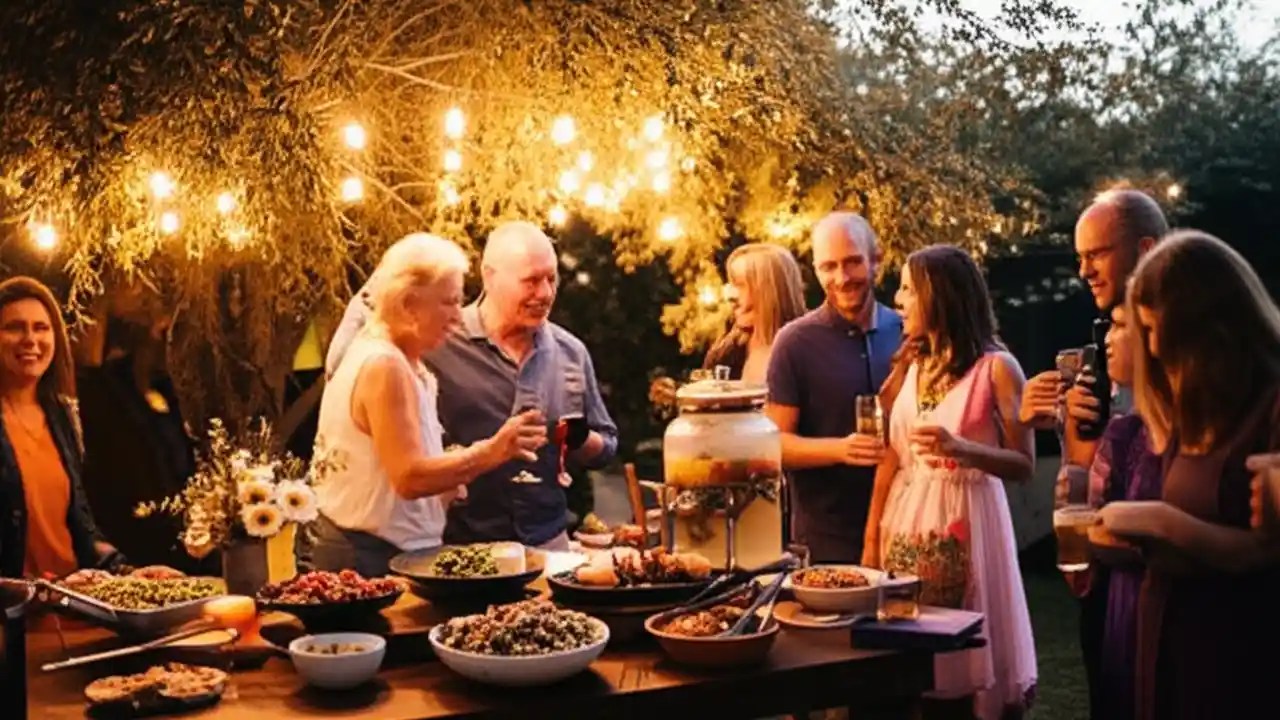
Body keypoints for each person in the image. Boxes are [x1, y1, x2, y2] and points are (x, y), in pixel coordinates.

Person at [1097, 231, 1280, 719]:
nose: (1151, 348)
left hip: (1239, 658)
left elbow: (1260, 555)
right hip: (1171, 644)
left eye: (1156, 330)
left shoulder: (1270, 408)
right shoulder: (1194, 411)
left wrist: (1161, 522)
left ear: (1201, 327)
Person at [863, 245, 1036, 720]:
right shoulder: (910, 365)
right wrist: (871, 535)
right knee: (912, 675)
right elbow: (893, 454)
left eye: (907, 289)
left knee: (962, 672)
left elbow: (1024, 464)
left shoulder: (996, 368)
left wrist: (963, 449)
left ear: (940, 296)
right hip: (905, 526)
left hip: (968, 525)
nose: (897, 300)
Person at [312, 234, 548, 576]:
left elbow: (397, 468)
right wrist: (493, 451)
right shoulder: (384, 366)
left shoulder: (404, 361)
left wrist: (451, 474)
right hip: (367, 557)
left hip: (379, 548)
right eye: (449, 302)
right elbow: (409, 478)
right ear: (409, 304)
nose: (457, 316)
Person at [1018, 188, 1167, 719]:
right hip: (1106, 582)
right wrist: (1059, 419)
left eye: (1095, 254)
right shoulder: (1101, 344)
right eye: (1079, 257)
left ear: (1146, 250)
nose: (1083, 271)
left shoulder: (1184, 351)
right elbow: (1088, 465)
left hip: (1166, 582)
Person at [424, 221, 618, 550]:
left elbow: (607, 447)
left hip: (548, 543)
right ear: (489, 276)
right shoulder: (439, 346)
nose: (544, 293)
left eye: (551, 279)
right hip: (459, 547)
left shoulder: (570, 352)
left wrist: (578, 437)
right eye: (530, 281)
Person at [765, 211, 903, 563]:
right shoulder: (794, 342)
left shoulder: (906, 331)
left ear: (877, 260)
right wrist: (841, 450)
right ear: (815, 269)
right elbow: (773, 447)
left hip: (908, 525)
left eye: (853, 262)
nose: (841, 278)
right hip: (826, 538)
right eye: (829, 266)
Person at [1065, 303, 1161, 720]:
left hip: (1168, 605)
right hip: (1120, 603)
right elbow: (1081, 490)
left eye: (1120, 326)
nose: (1105, 337)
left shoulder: (1178, 430)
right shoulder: (1123, 429)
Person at [74, 276, 208, 574]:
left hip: (184, 539)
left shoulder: (165, 392)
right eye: (162, 332)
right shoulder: (107, 390)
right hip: (135, 543)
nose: (168, 340)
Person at [0, 277, 122, 578]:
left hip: (76, 608)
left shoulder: (63, 415)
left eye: (41, 327)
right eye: (14, 327)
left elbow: (81, 528)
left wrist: (125, 571)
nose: (30, 339)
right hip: (16, 620)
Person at [702, 243, 807, 383]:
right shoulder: (725, 353)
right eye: (731, 285)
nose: (730, 296)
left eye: (740, 285)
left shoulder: (812, 350)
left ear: (771, 292)